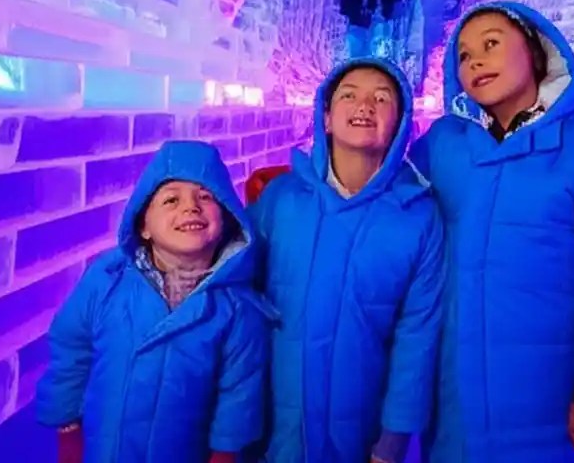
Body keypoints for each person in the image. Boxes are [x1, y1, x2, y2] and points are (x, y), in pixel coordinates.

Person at [411, 2, 574, 463]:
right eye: (463, 56)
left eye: (490, 44)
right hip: (452, 396)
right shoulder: (441, 146)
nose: (476, 61)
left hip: (546, 397)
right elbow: (389, 204)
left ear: (536, 51)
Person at [250, 58, 444, 463]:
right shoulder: (281, 199)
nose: (364, 105)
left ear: (401, 123)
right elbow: (238, 294)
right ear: (326, 117)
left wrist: (392, 443)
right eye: (349, 95)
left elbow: (417, 335)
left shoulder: (418, 216)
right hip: (270, 427)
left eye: (381, 98)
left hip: (359, 430)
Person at [37, 140, 272, 463]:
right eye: (171, 199)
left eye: (206, 196)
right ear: (143, 225)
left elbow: (239, 394)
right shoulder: (106, 281)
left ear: (228, 219)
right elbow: (71, 350)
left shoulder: (239, 310)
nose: (190, 207)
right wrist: (68, 431)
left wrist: (224, 454)